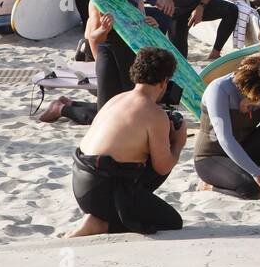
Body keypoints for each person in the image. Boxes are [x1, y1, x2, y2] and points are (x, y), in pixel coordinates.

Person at [69, 47, 186, 237]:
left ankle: (103, 215)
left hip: (81, 181)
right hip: (103, 190)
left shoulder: (117, 99)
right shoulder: (154, 114)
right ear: (164, 82)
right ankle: (101, 224)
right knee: (172, 221)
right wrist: (178, 143)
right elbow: (162, 167)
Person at [195, 54, 260, 199]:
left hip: (244, 151)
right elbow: (225, 139)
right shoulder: (219, 89)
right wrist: (256, 173)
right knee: (252, 190)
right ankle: (211, 186)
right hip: (212, 158)